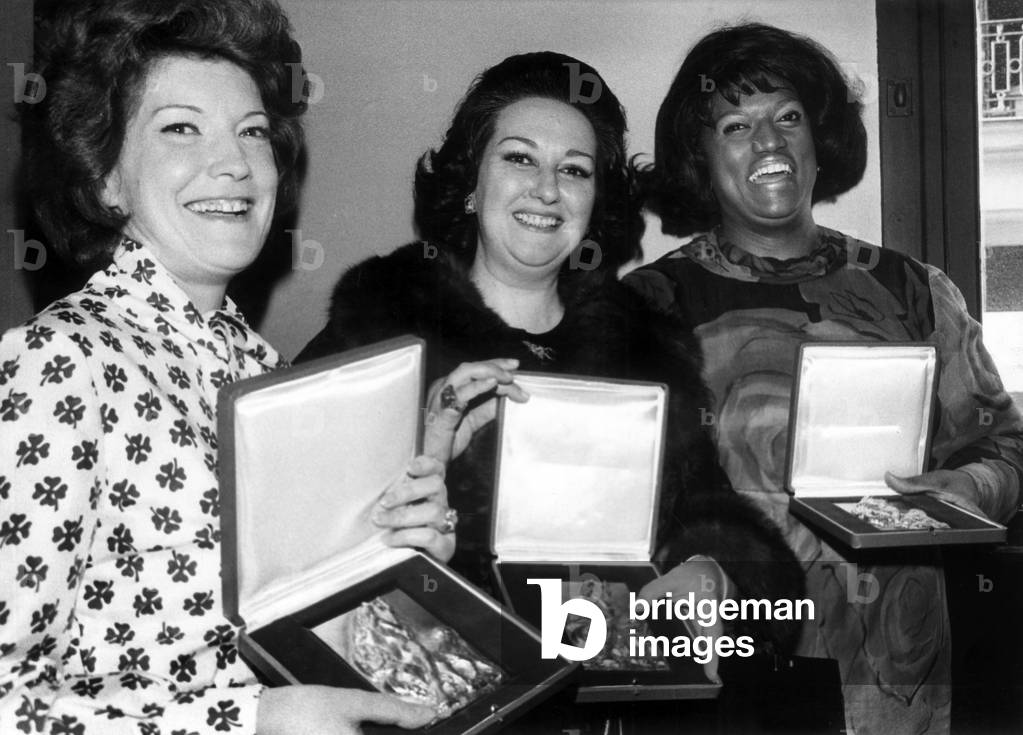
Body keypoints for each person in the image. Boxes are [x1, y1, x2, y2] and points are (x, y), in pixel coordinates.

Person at [0, 2, 516, 733]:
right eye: (181, 128)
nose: (235, 163)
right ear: (105, 173)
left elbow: (306, 626)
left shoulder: (266, 369)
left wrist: (407, 558)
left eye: (252, 133)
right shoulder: (62, 362)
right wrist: (248, 721)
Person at [298, 51, 805, 672]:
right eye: (518, 158)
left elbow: (720, 520)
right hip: (451, 697)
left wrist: (718, 580)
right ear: (468, 183)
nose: (546, 189)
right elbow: (300, 546)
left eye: (575, 170)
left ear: (596, 202)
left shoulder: (647, 346)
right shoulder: (381, 328)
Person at [626, 22, 1023, 735]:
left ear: (819, 138)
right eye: (735, 125)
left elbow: (1004, 447)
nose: (769, 143)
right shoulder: (648, 304)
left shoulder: (913, 289)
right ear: (700, 154)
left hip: (898, 667)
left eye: (787, 117)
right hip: (732, 668)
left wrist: (963, 489)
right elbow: (613, 505)